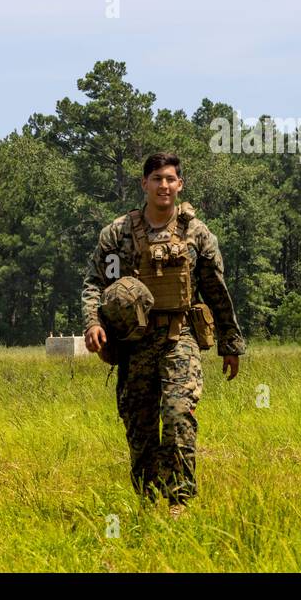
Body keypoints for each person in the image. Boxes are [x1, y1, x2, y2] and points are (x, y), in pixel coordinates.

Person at [81, 153, 244, 518]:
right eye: (156, 178)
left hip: (179, 336)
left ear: (180, 184)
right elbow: (95, 283)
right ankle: (146, 499)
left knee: (177, 414)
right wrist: (92, 323)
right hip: (133, 343)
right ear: (144, 184)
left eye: (170, 178)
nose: (164, 185)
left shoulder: (196, 234)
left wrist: (230, 344)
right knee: (139, 425)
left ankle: (179, 501)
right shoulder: (118, 233)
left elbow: (217, 291)